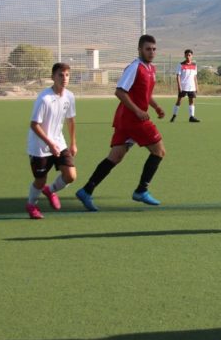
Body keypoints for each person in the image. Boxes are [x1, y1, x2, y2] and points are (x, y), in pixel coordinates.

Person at [75, 34, 167, 211]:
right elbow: (120, 92)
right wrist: (138, 111)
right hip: (133, 120)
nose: (152, 52)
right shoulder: (135, 68)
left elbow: (144, 94)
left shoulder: (151, 69)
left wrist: (155, 106)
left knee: (115, 157)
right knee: (159, 151)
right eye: (148, 49)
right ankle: (141, 190)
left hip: (127, 120)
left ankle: (86, 190)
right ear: (140, 49)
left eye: (154, 49)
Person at [24, 62, 77, 219]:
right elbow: (34, 125)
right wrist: (49, 143)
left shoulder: (69, 96)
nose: (64, 78)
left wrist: (73, 143)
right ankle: (31, 205)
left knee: (70, 176)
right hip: (39, 146)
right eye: (60, 75)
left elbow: (71, 120)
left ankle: (50, 190)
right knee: (40, 181)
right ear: (53, 77)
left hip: (58, 142)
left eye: (67, 75)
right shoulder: (44, 99)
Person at [171, 48, 201, 123]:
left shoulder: (194, 65)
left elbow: (195, 77)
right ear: (184, 56)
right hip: (183, 86)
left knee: (191, 101)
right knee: (179, 101)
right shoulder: (181, 65)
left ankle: (191, 117)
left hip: (192, 87)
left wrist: (196, 86)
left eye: (189, 55)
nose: (188, 56)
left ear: (192, 56)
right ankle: (174, 116)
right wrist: (179, 86)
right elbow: (178, 76)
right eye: (187, 55)